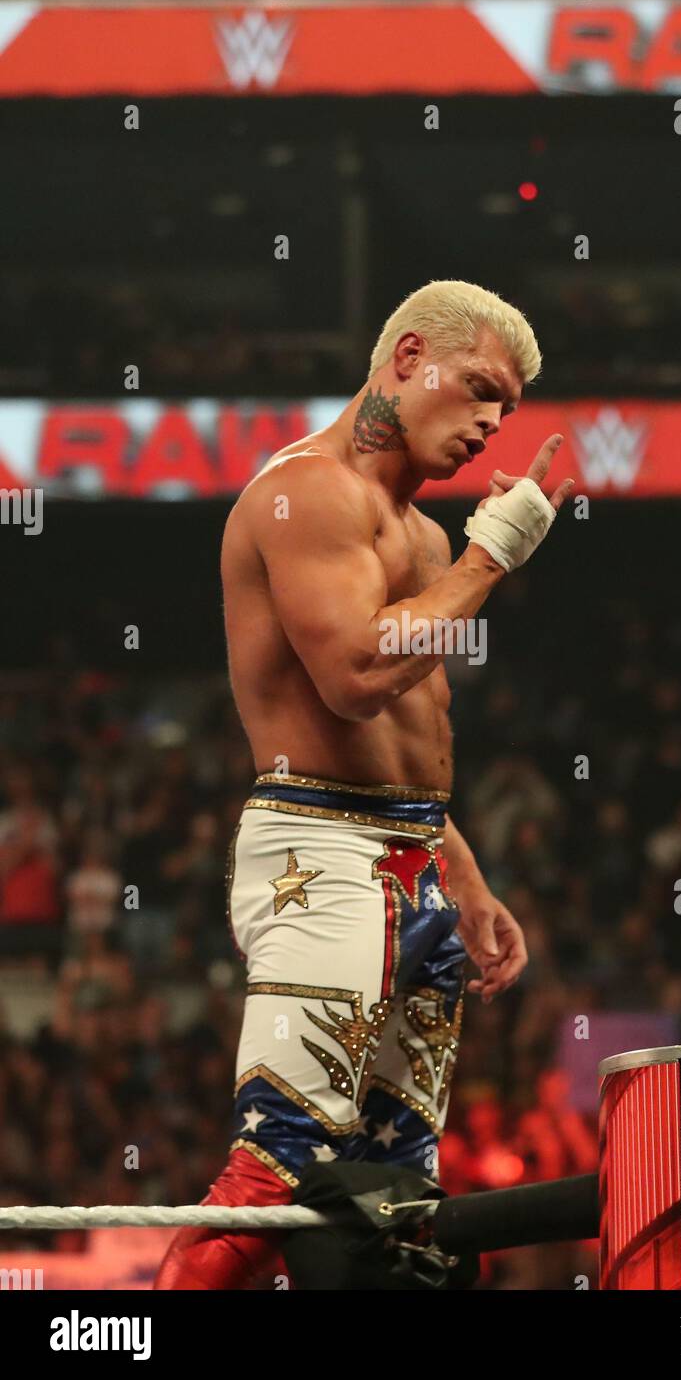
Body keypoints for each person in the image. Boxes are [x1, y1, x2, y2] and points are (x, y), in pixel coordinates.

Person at [154, 278, 573, 1288]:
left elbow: (408, 734)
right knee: (280, 1168)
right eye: (477, 388)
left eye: (505, 410)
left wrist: (463, 878)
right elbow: (350, 680)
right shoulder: (302, 495)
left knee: (390, 1196)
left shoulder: (421, 539)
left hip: (412, 858)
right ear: (405, 357)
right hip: (320, 852)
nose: (487, 422)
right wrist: (496, 552)